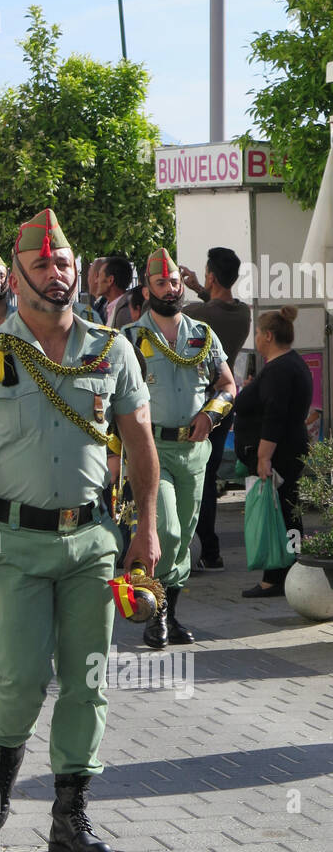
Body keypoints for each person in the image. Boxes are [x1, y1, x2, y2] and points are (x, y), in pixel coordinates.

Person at [0, 209, 159, 852]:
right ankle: (4, 754)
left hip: (91, 542)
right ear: (17, 272)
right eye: (42, 264)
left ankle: (69, 811)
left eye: (63, 262)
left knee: (88, 676)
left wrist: (144, 529)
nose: (55, 273)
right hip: (12, 543)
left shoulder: (110, 350)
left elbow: (140, 444)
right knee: (23, 675)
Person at [121, 249, 235, 647]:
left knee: (184, 533)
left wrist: (211, 415)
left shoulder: (201, 334)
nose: (170, 289)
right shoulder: (131, 338)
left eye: (174, 282)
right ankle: (156, 612)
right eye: (160, 283)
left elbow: (227, 385)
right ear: (147, 288)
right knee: (165, 526)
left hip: (193, 451)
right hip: (151, 450)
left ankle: (168, 614)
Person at [180, 247, 252, 571]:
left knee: (200, 477)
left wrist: (192, 289)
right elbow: (217, 301)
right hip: (225, 403)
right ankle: (210, 551)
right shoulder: (243, 313)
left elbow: (196, 309)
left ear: (211, 275)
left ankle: (204, 546)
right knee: (207, 475)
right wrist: (199, 285)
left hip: (199, 403)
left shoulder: (199, 314)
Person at [234, 308, 312, 597]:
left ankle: (277, 576)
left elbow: (274, 416)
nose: (255, 337)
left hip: (279, 453)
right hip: (289, 448)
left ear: (268, 335)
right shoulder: (291, 363)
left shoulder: (280, 369)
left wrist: (264, 456)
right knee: (289, 510)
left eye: (257, 332)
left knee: (283, 511)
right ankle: (291, 568)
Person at [99, 255, 134, 329]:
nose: (96, 281)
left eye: (99, 276)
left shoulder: (125, 313)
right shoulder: (111, 307)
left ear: (110, 280)